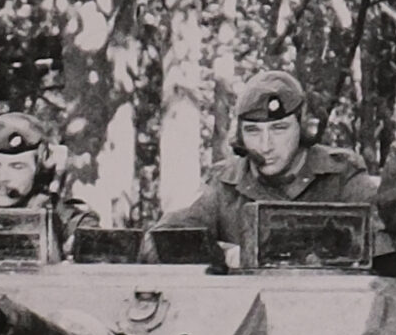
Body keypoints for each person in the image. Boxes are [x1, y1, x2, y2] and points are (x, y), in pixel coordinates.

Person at [151, 69, 376, 253]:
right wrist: (223, 255)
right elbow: (159, 242)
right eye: (252, 131)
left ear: (302, 127)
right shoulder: (224, 183)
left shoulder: (341, 175)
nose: (265, 145)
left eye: (279, 129)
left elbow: (388, 246)